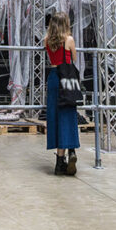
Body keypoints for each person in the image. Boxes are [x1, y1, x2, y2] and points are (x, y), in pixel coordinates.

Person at [44, 12, 80, 176]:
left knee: (56, 118)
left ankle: (60, 163)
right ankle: (71, 151)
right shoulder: (69, 40)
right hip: (66, 79)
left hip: (52, 78)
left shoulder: (47, 40)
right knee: (68, 116)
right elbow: (74, 58)